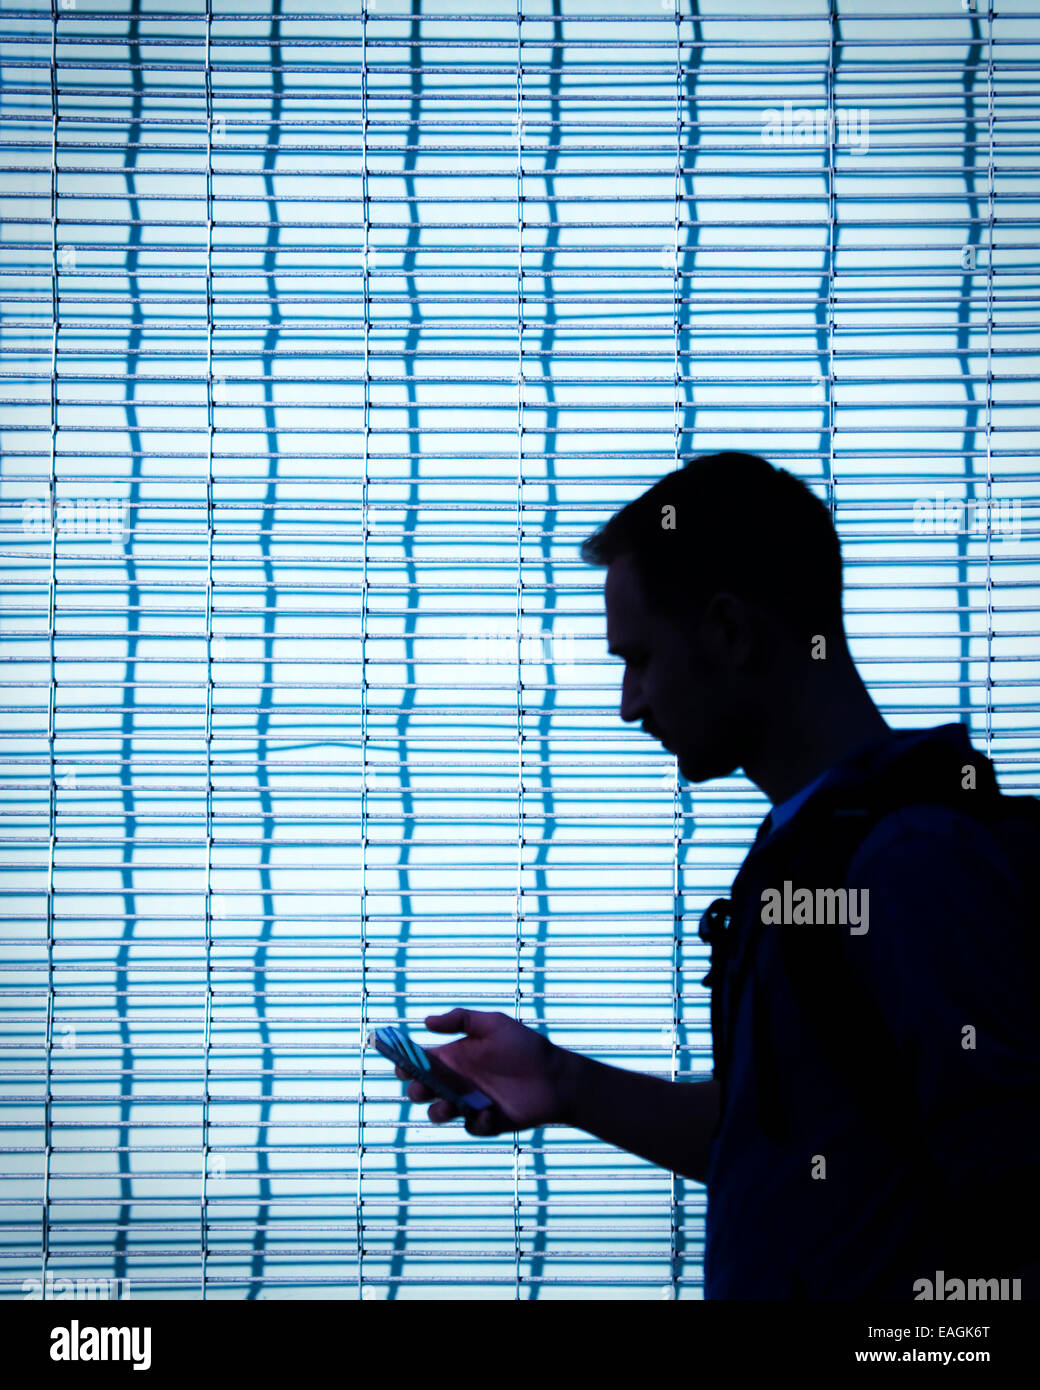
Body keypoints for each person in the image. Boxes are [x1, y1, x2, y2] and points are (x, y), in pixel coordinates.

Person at [395, 451, 1040, 1299]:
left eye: (640, 658)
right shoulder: (820, 853)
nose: (629, 704)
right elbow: (779, 1148)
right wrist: (563, 1082)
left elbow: (1017, 1205)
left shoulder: (910, 865)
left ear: (731, 633)